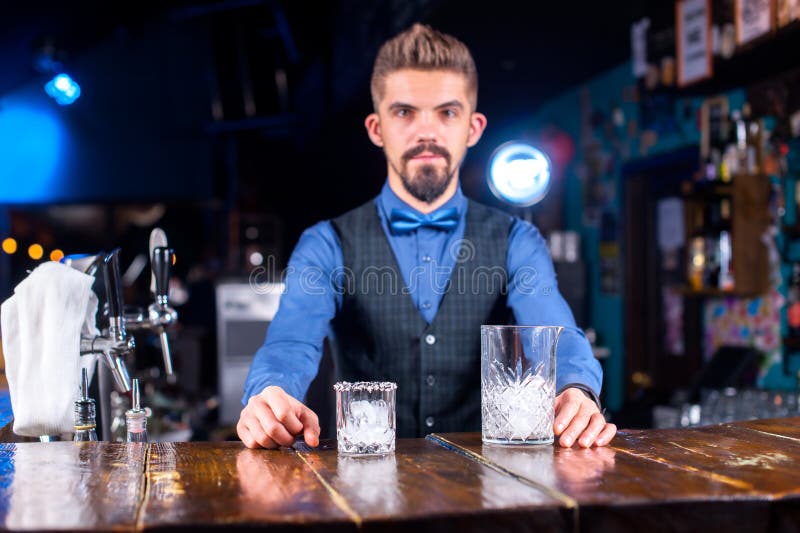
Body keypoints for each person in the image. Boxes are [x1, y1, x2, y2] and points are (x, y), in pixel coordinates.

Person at [238, 23, 616, 449]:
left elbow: (556, 332)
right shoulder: (325, 244)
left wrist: (576, 389)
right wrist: (270, 394)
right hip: (367, 490)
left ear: (472, 129)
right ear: (376, 128)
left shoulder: (518, 240)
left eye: (447, 112)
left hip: (486, 487)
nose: (426, 132)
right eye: (404, 112)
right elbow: (290, 341)